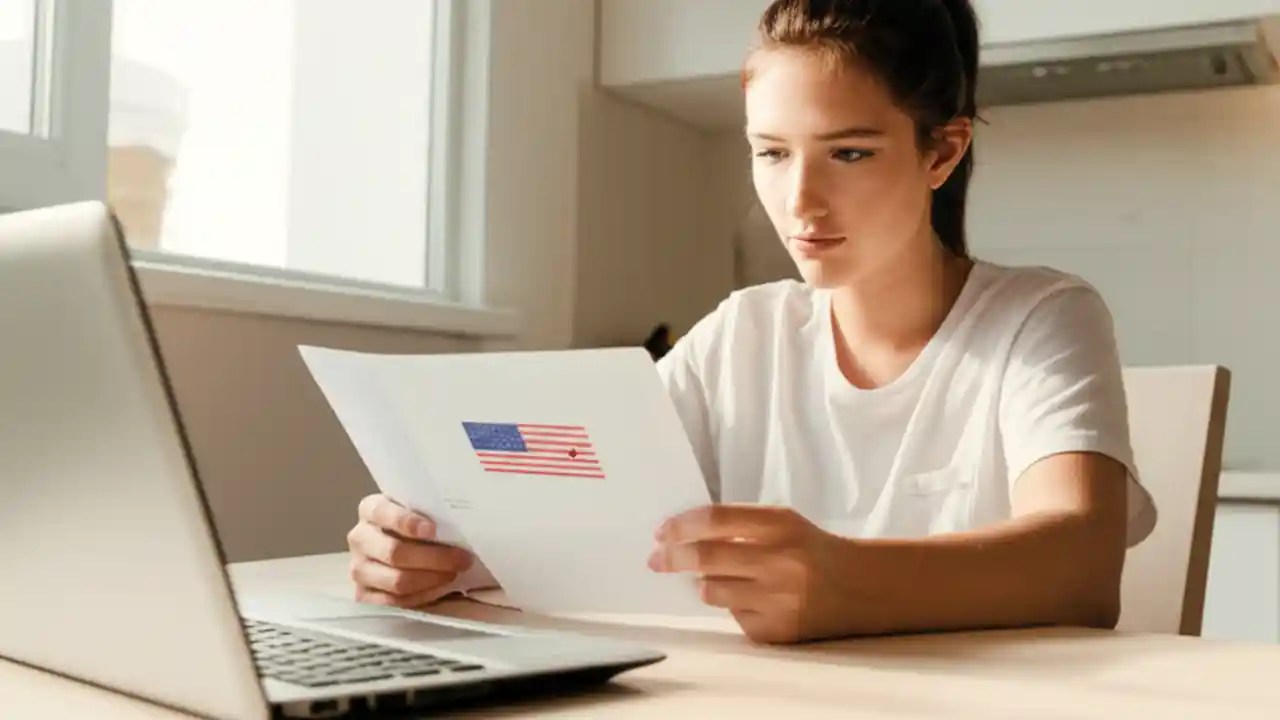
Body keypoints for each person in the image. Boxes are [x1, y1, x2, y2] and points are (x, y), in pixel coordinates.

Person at [345, 0, 1155, 645]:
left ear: (941, 153)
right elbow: (588, 521)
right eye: (771, 153)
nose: (799, 201)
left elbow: (1080, 564)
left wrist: (845, 582)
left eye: (849, 153)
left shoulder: (1041, 318)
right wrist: (443, 551)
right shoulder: (744, 333)